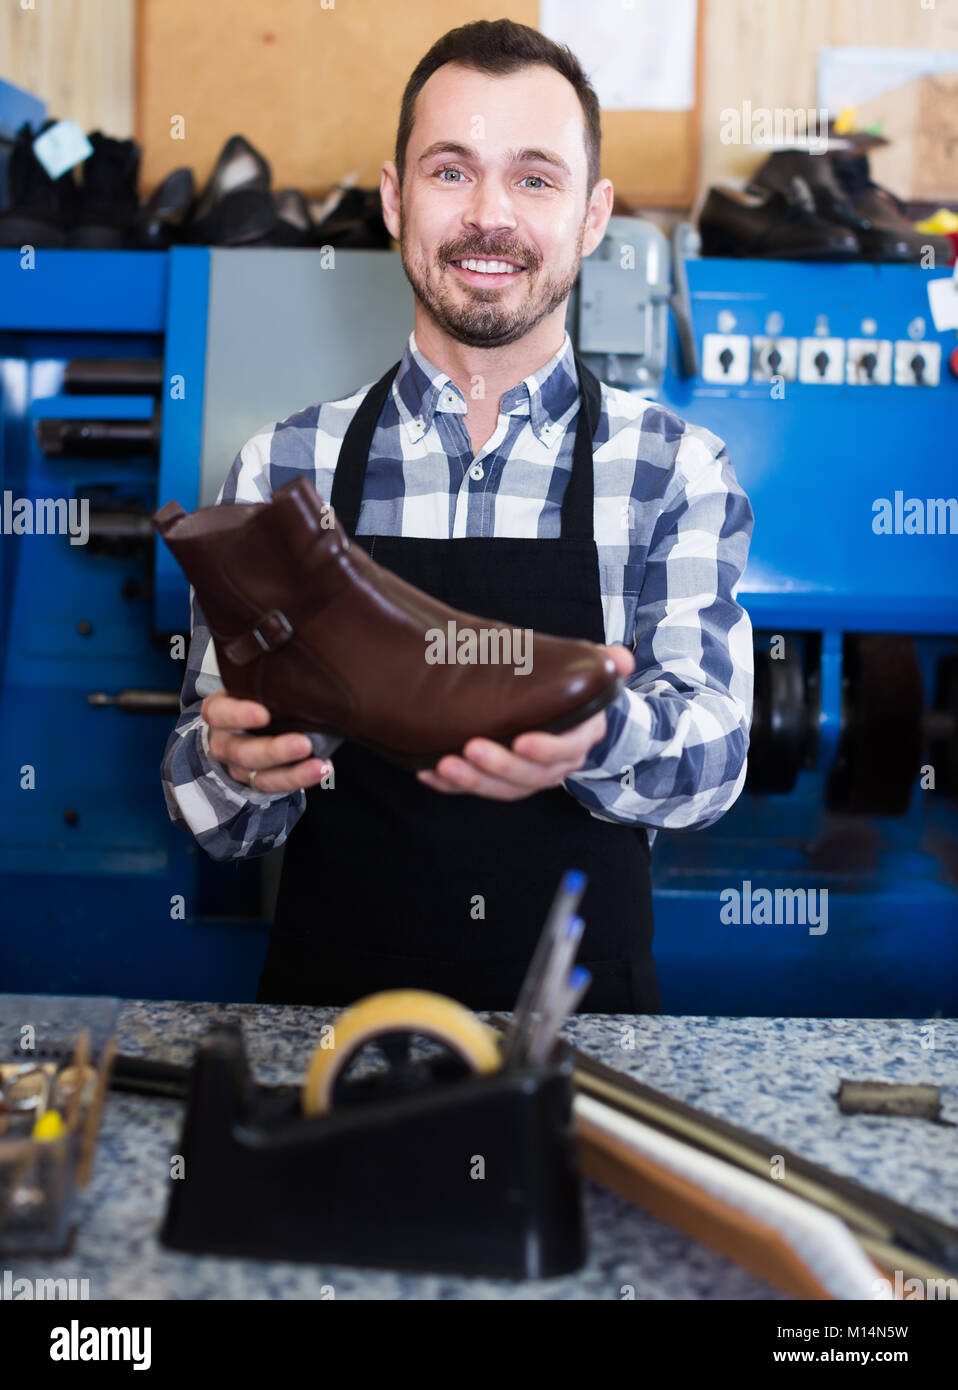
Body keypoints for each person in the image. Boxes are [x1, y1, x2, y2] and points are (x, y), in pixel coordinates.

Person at [161, 18, 754, 1013]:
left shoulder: (670, 470)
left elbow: (713, 764)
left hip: (583, 1050)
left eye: (534, 177)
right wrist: (234, 767)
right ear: (395, 200)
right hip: (329, 1036)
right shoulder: (281, 466)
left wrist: (597, 737)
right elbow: (206, 808)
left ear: (592, 214)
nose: (490, 216)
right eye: (449, 172)